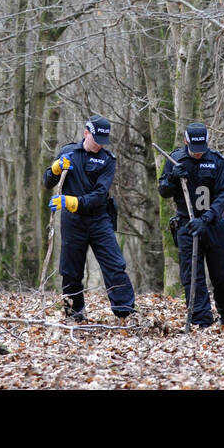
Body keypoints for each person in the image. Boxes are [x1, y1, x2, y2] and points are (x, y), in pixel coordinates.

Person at [43, 114, 135, 322]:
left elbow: (99, 195)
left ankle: (125, 312)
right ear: (86, 133)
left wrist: (72, 202)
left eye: (103, 142)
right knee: (70, 269)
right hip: (73, 222)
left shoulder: (107, 160)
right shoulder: (68, 153)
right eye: (96, 140)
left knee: (115, 264)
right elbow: (48, 182)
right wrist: (56, 169)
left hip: (99, 219)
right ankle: (74, 313)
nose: (99, 146)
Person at [158, 122, 224, 327]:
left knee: (223, 276)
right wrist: (172, 179)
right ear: (186, 142)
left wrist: (207, 218)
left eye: (201, 150)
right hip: (186, 224)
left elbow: (223, 194)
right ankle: (202, 321)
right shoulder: (174, 159)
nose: (198, 154)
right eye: (194, 150)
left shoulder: (217, 161)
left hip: (213, 223)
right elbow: (163, 191)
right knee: (192, 276)